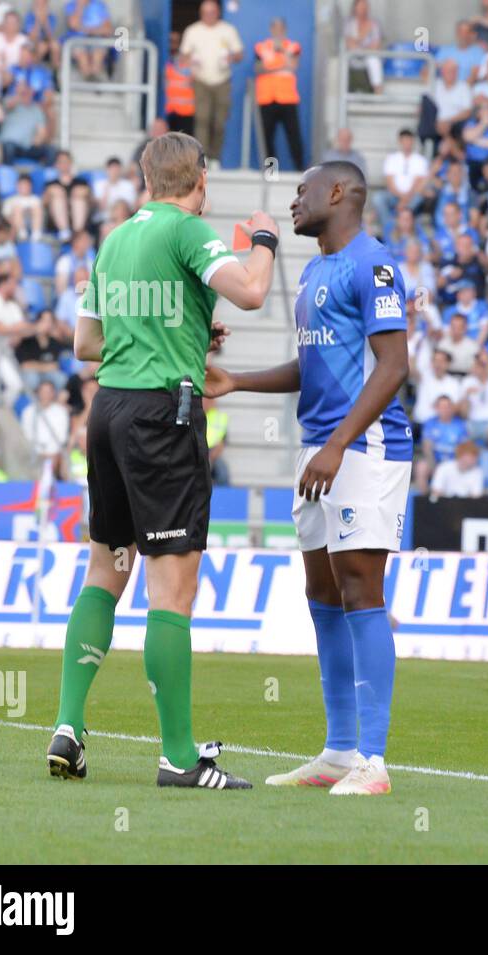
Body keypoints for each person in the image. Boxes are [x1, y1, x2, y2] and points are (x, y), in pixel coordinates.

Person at [47, 131, 278, 790]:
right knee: (171, 588)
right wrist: (261, 240)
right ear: (198, 180)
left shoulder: (115, 240)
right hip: (161, 417)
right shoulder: (188, 229)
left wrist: (184, 327)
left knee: (105, 567)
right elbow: (254, 291)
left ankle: (68, 723)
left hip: (108, 411)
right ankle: (179, 755)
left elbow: (86, 342)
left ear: (147, 178)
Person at [203, 160, 411, 797]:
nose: (295, 200)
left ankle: (373, 762)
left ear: (339, 193)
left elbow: (394, 364)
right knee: (322, 593)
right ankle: (339, 750)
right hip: (317, 448)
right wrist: (237, 381)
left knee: (360, 588)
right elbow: (312, 362)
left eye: (304, 190)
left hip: (365, 448)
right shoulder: (318, 269)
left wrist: (342, 445)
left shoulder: (373, 264)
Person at [179, 0, 243, 169]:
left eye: (212, 12)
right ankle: (202, 157)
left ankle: (215, 157)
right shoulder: (192, 31)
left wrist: (230, 57)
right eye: (205, 13)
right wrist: (191, 61)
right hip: (200, 80)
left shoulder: (228, 30)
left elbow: (239, 53)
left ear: (218, 13)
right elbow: (183, 56)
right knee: (202, 119)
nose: (208, 16)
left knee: (219, 121)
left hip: (222, 80)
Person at [254, 18, 305, 171]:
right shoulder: (261, 47)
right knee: (267, 138)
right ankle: (271, 172)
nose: (278, 31)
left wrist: (275, 60)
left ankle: (300, 170)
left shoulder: (292, 46)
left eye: (280, 28)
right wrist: (282, 64)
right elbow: (258, 68)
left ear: (285, 30)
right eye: (275, 28)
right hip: (266, 98)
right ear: (271, 30)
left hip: (288, 98)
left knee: (294, 136)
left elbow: (294, 66)